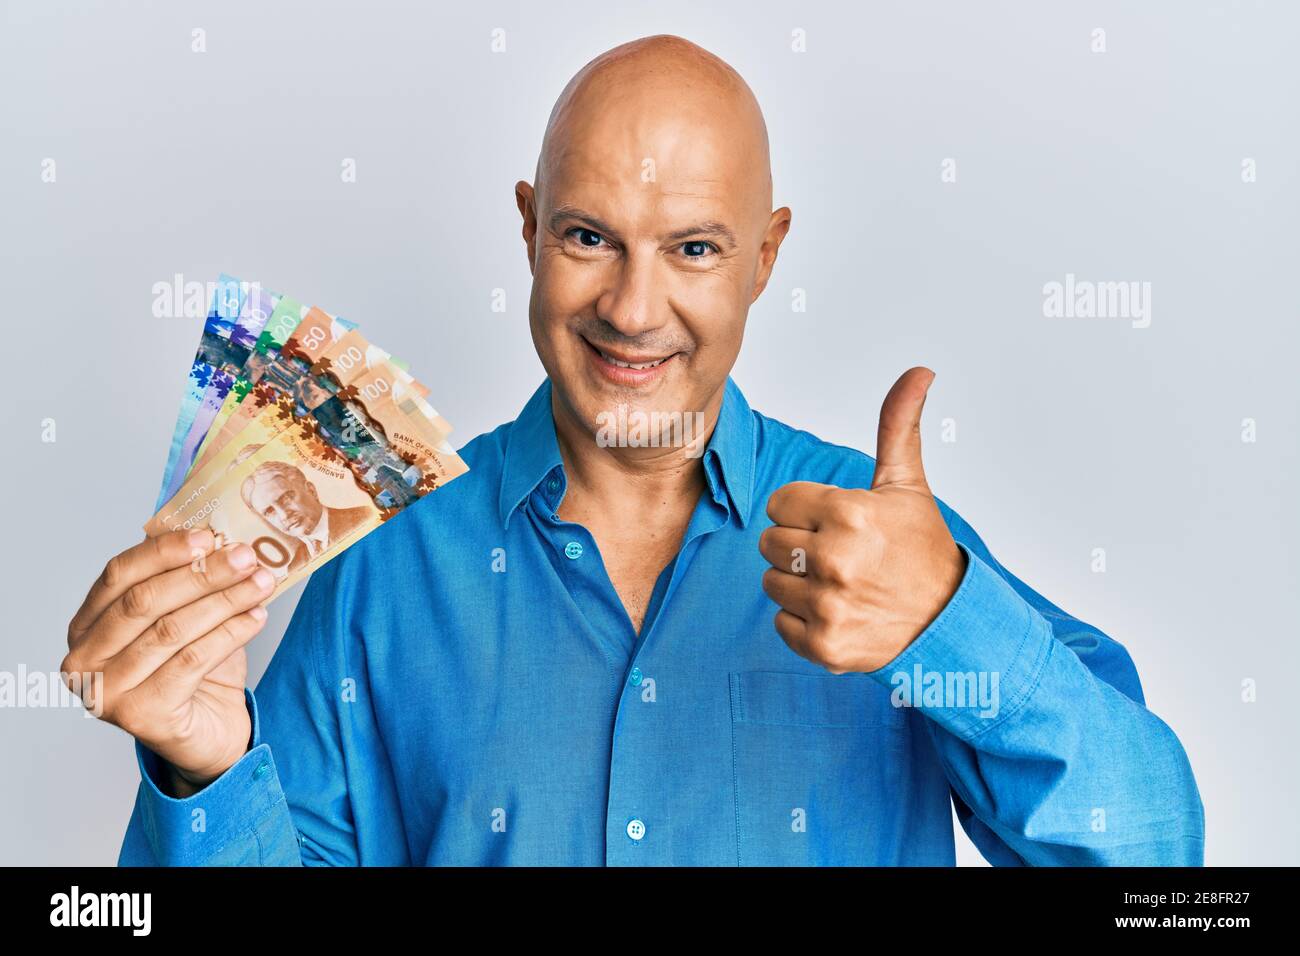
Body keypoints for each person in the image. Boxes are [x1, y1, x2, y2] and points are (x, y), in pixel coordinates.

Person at [64, 34, 1203, 866]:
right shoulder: (385, 561)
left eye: (695, 248)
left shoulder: (888, 545)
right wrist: (207, 767)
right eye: (588, 237)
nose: (632, 308)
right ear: (529, 227)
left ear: (765, 256)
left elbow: (1153, 861)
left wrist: (951, 617)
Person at [240, 460, 372, 572]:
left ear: (311, 490)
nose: (284, 515)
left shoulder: (365, 517)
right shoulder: (294, 567)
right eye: (269, 511)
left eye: (286, 498)